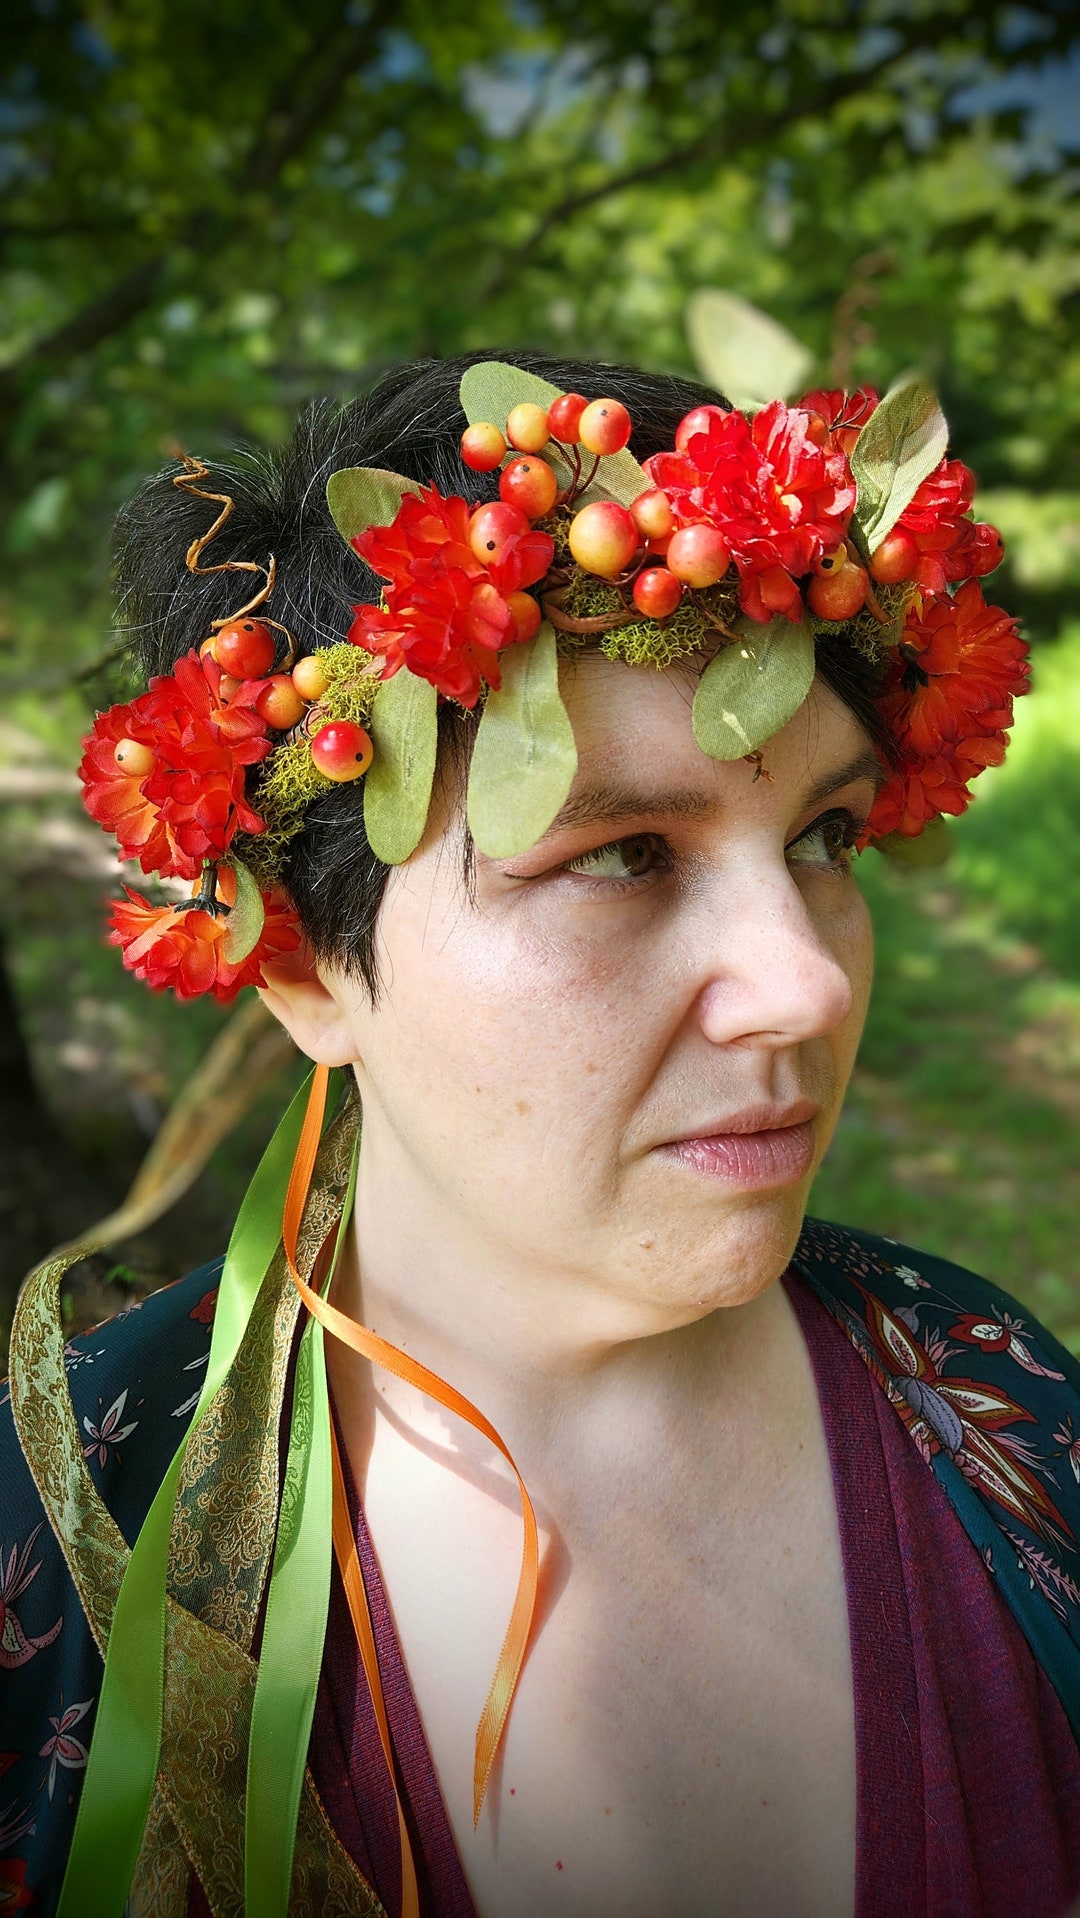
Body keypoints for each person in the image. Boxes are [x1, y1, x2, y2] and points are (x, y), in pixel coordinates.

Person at [1, 349, 1078, 1918]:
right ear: (303, 956)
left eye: (824, 834)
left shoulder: (1006, 1413)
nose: (802, 983)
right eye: (625, 851)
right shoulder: (64, 1554)